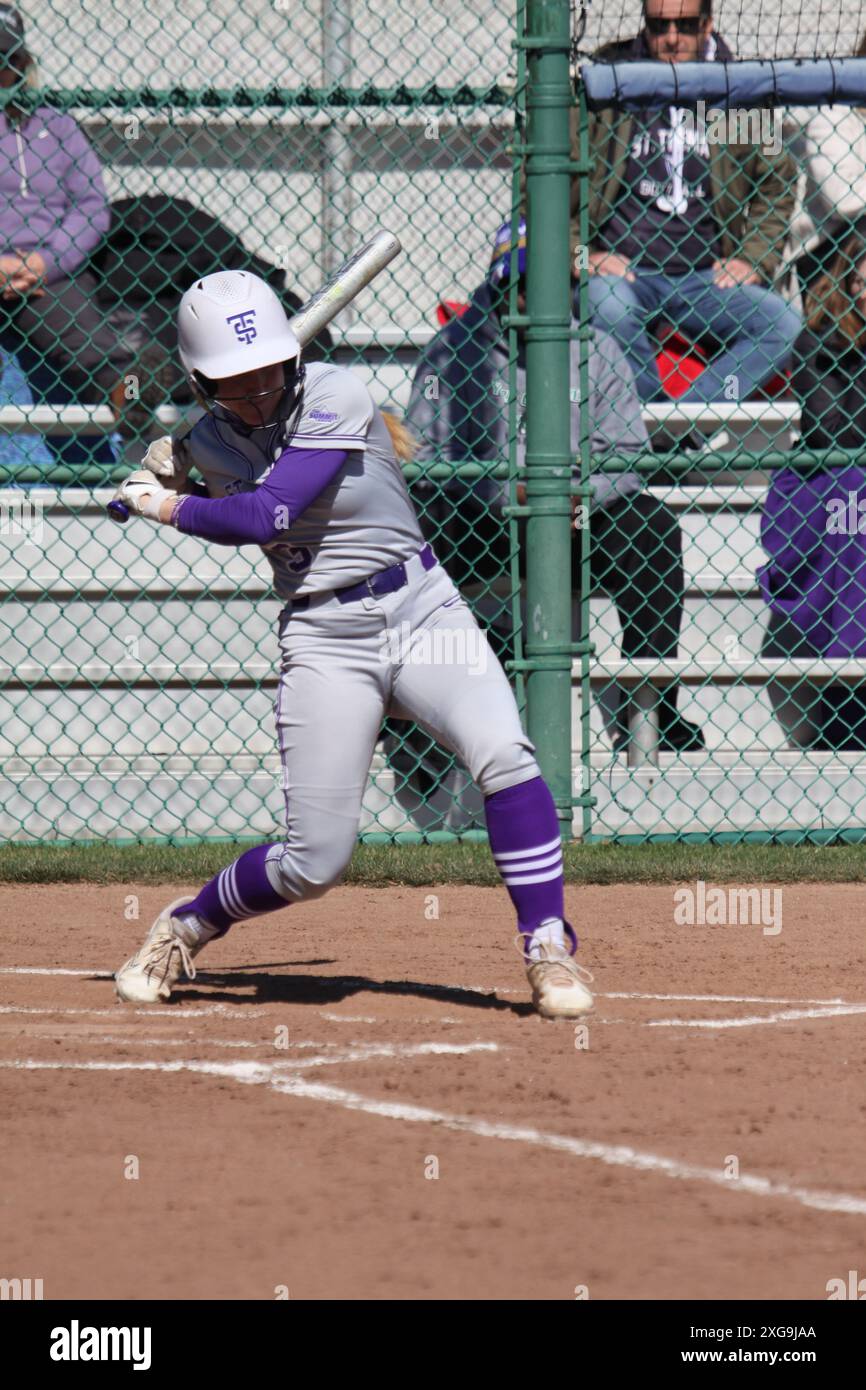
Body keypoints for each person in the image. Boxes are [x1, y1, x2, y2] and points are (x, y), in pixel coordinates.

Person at [110, 269, 594, 1021]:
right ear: (202, 383)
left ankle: (548, 944)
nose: (260, 391)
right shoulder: (209, 438)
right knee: (315, 862)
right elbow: (217, 496)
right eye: (236, 382)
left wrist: (169, 505)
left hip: (421, 610)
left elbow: (268, 513)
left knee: (504, 754)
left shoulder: (338, 392)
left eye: (269, 370)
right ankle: (185, 925)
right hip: (323, 636)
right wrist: (177, 475)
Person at [406, 217, 705, 753]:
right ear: (500, 284)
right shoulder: (451, 351)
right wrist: (504, 492)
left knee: (653, 528)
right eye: (520, 285)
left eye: (546, 285)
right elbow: (427, 457)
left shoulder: (598, 349)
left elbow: (626, 455)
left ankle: (655, 709)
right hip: (486, 520)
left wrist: (578, 496)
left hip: (579, 520)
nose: (531, 297)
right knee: (421, 521)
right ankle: (413, 711)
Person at [575, 0, 801, 407]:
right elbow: (543, 182)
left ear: (708, 24)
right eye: (659, 26)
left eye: (686, 25)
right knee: (605, 304)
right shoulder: (609, 86)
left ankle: (684, 427)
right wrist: (581, 254)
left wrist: (754, 258)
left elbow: (777, 181)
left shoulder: (737, 94)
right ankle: (648, 425)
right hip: (624, 274)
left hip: (705, 278)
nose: (672, 39)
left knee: (783, 324)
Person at [0, 4, 148, 433]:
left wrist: (47, 261)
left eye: (6, 60)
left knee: (83, 338)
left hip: (47, 272)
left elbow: (90, 205)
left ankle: (131, 395)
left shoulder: (55, 125)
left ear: (22, 63)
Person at [760, 230, 866, 748]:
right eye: (863, 280)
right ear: (848, 281)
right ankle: (848, 702)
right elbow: (833, 432)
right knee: (852, 497)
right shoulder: (818, 339)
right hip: (824, 485)